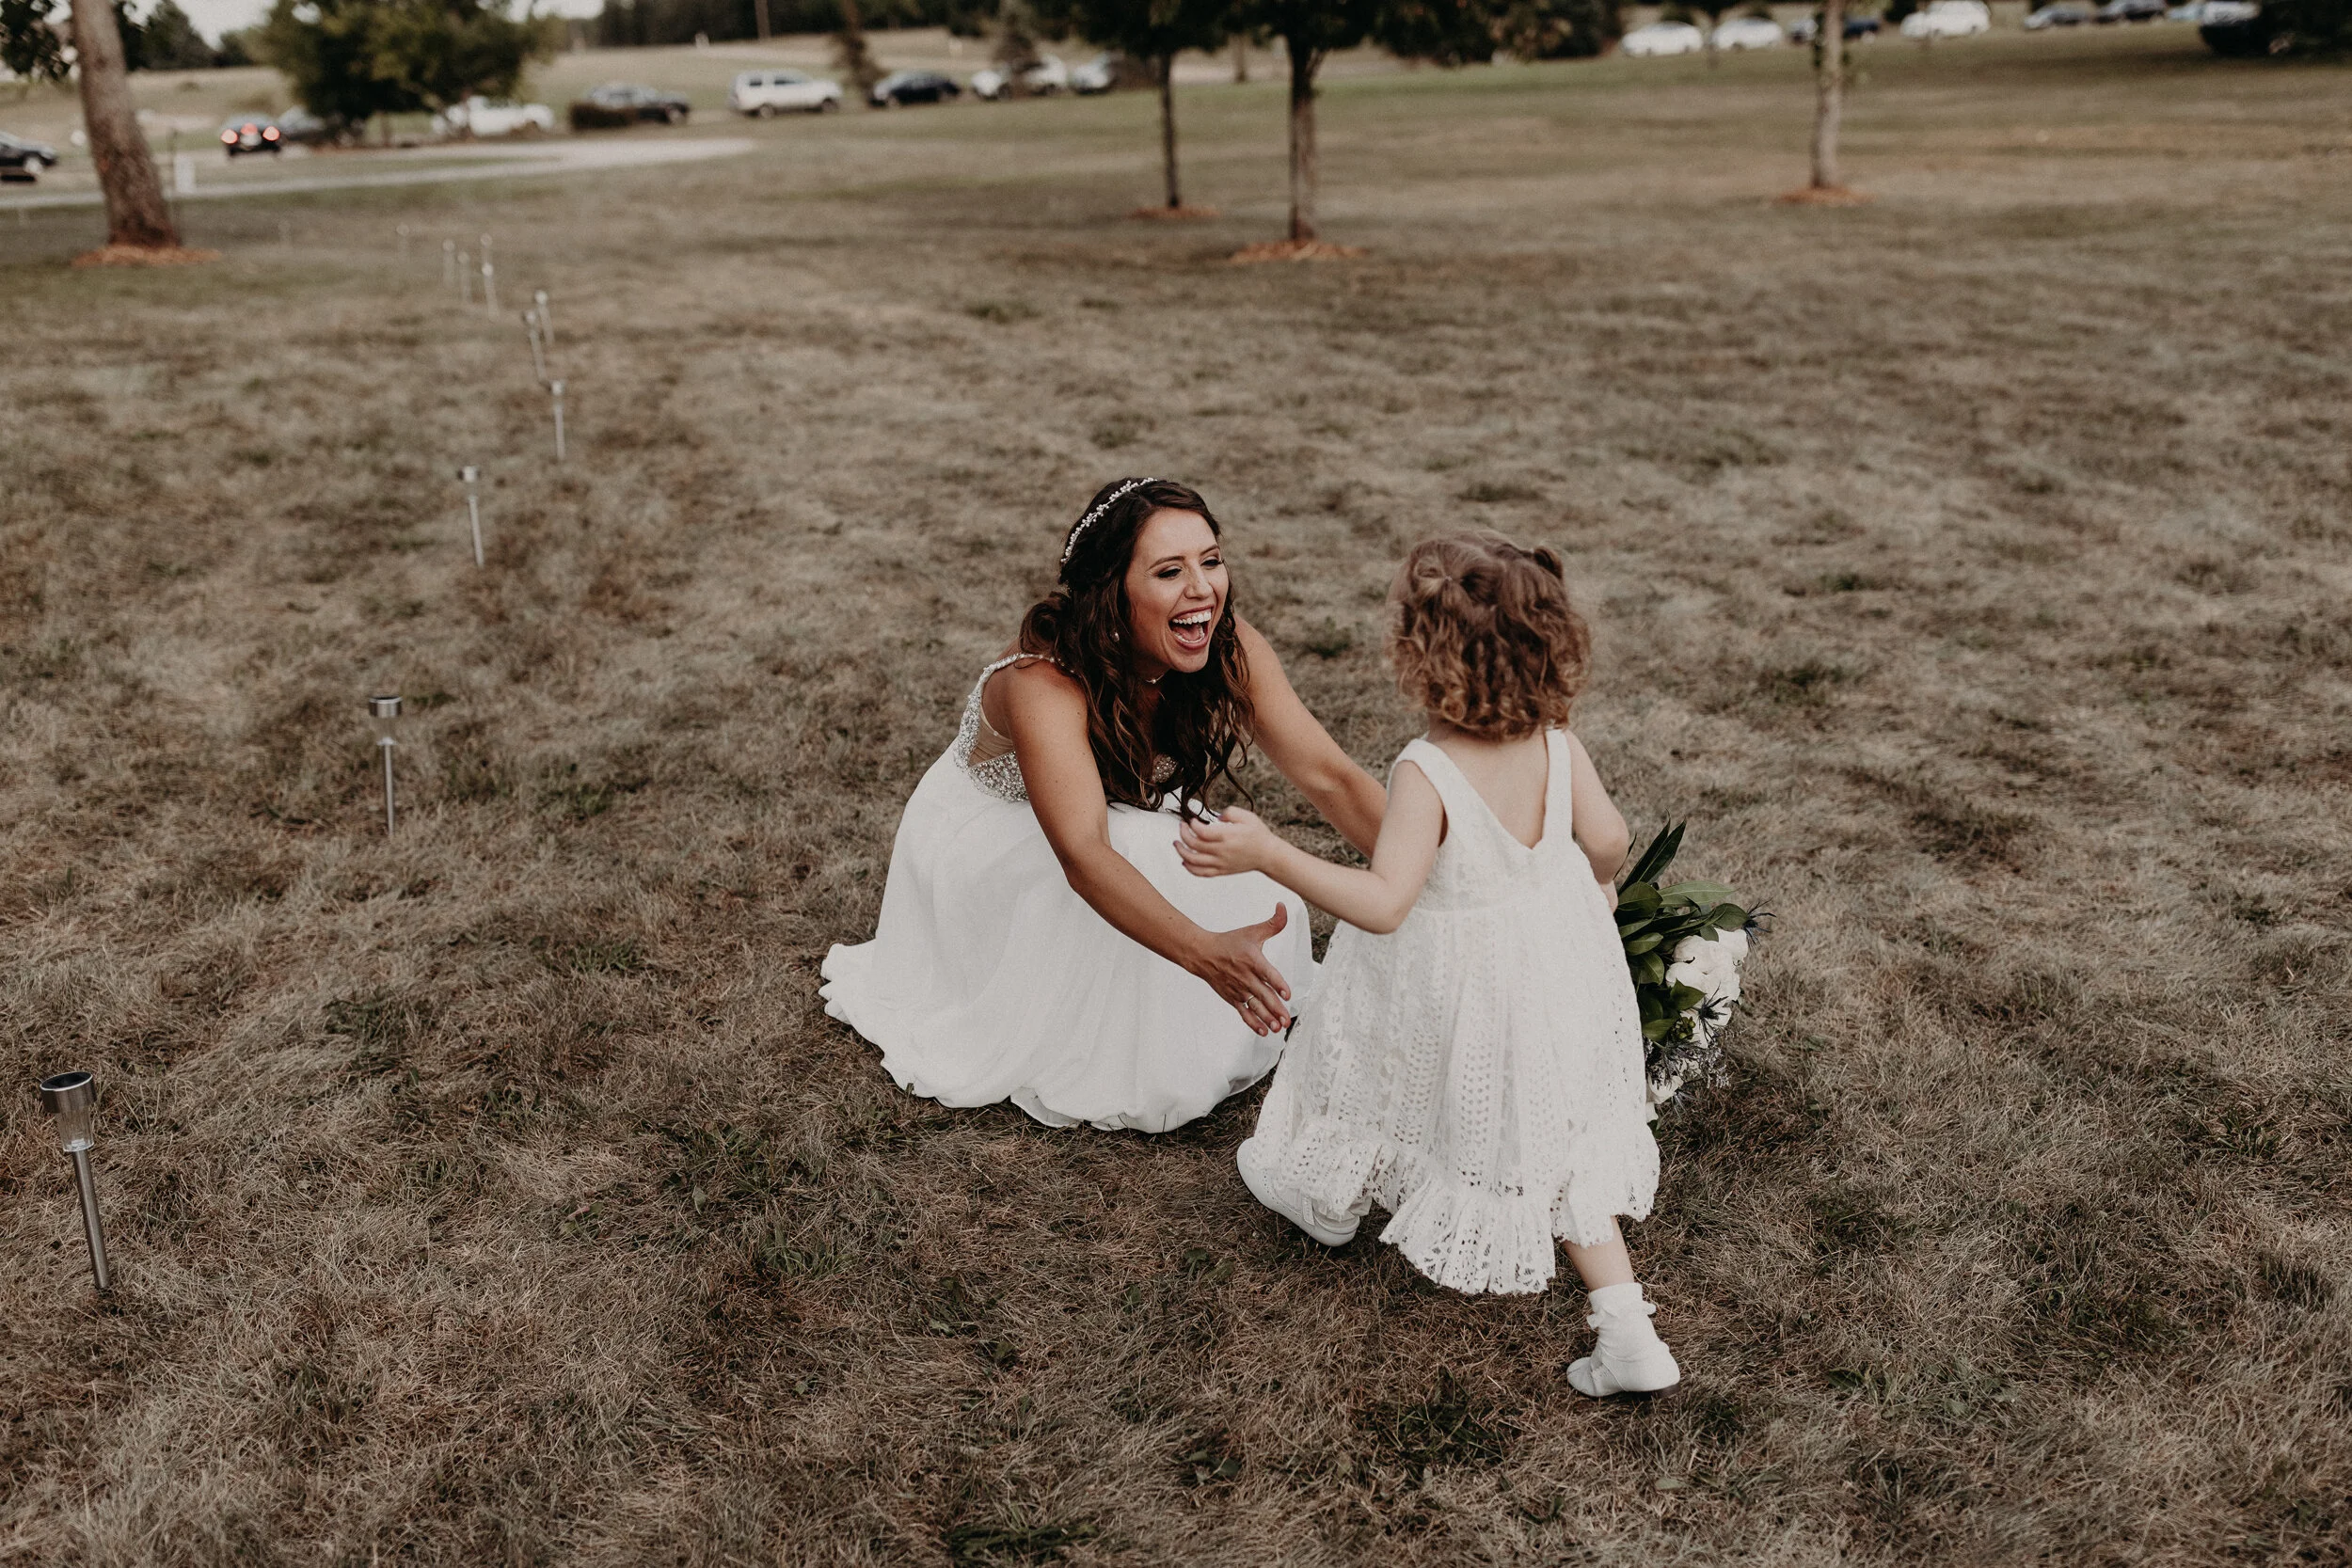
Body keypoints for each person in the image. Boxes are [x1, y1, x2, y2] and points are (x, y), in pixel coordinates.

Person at [1174, 530, 1677, 1397]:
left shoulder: (1429, 770)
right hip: (1552, 969)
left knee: (1375, 1075)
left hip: (1455, 985)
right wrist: (1589, 888)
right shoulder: (1558, 742)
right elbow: (1611, 837)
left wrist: (1268, 852)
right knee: (1548, 1134)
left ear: (1420, 657)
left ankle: (1321, 1197)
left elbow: (1384, 901)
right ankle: (1627, 1324)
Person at [820, 479, 1388, 1134]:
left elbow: (1329, 775)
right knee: (1154, 858)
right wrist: (1205, 953)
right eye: (1169, 571)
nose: (1201, 588)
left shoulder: (1226, 644)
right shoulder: (1043, 679)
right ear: (1112, 591)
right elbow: (1085, 853)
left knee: (1238, 876)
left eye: (1211, 560)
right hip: (1000, 846)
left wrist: (1426, 868)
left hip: (1114, 819)